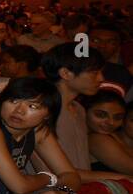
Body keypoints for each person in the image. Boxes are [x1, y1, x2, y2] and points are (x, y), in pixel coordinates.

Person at [41, 47, 129, 183]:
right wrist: (124, 179)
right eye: (94, 73)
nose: (101, 78)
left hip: (79, 193)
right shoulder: (44, 111)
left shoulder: (79, 109)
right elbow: (53, 172)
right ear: (65, 73)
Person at [83, 91, 133, 174]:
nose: (111, 122)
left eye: (118, 117)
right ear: (84, 111)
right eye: (101, 115)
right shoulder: (97, 139)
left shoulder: (111, 138)